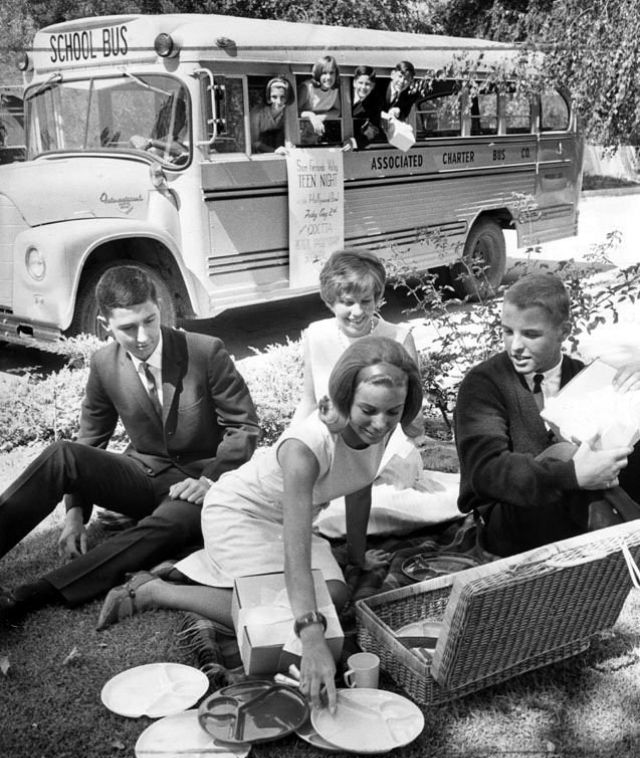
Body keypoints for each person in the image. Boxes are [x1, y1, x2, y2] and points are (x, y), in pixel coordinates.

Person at [97, 336, 422, 710]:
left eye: (393, 412)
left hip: (284, 519)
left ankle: (205, 576)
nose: (381, 424)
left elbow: (359, 485)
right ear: (347, 396)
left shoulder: (379, 424)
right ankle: (154, 591)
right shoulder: (307, 447)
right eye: (369, 410)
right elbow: (294, 551)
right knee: (285, 607)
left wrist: (358, 557)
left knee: (335, 594)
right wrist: (311, 636)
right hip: (239, 512)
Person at [0, 266, 260, 620]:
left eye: (149, 320)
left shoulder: (205, 351)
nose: (143, 336)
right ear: (106, 325)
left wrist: (209, 480)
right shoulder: (104, 363)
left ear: (159, 308)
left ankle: (34, 594)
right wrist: (75, 514)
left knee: (165, 526)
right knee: (64, 454)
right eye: (127, 327)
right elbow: (91, 438)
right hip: (141, 474)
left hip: (195, 486)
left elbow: (243, 427)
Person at [454, 272, 640, 558]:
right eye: (507, 331)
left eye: (530, 334)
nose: (515, 346)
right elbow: (486, 473)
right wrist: (572, 475)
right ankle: (625, 547)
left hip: (587, 506)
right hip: (512, 517)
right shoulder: (483, 383)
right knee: (564, 453)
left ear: (563, 332)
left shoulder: (587, 378)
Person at [293, 248, 419, 423]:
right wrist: (288, 441)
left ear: (376, 298)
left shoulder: (399, 338)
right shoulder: (316, 335)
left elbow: (412, 412)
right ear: (331, 302)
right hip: (328, 437)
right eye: (348, 302)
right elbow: (309, 402)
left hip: (381, 440)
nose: (357, 311)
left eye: (366, 301)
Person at [298, 55, 341, 144]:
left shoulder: (334, 90)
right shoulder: (307, 88)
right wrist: (311, 116)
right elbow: (294, 112)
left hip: (318, 132)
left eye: (332, 73)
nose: (328, 77)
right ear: (318, 74)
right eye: (324, 73)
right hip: (300, 133)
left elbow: (337, 111)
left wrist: (320, 118)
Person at [250, 75, 294, 154]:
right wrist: (274, 151)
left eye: (282, 97)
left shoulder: (288, 112)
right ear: (268, 98)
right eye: (274, 97)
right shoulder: (256, 114)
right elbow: (254, 142)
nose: (279, 102)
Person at [351, 66, 383, 150]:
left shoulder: (375, 102)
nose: (363, 87)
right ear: (354, 83)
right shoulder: (343, 94)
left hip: (352, 144)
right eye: (360, 83)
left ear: (373, 86)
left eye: (367, 84)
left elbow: (373, 129)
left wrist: (354, 142)